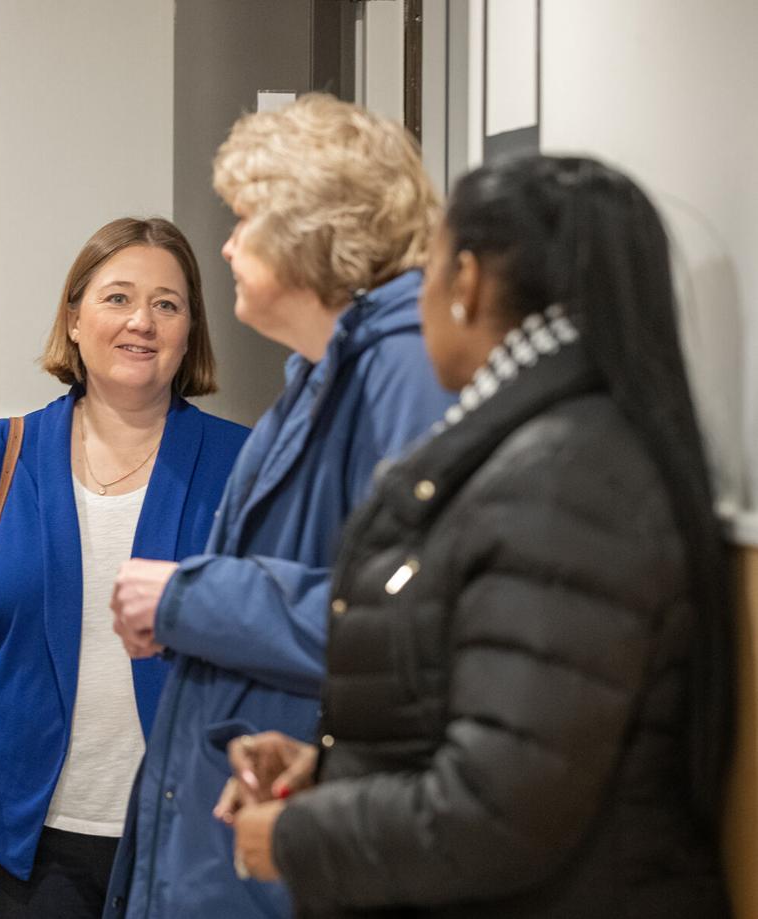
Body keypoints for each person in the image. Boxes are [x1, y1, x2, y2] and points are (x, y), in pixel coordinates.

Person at [222, 154, 734, 918]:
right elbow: (479, 719)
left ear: (466, 282)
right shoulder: (535, 451)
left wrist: (299, 833)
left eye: (425, 267)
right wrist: (335, 769)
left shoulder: (563, 477)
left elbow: (504, 806)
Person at [105, 94, 455, 918]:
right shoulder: (318, 371)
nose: (225, 245)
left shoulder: (404, 373)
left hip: (299, 853)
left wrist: (186, 598)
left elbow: (410, 626)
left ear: (311, 229)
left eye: (245, 220)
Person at [0, 217, 249, 918]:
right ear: (73, 318)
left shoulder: (242, 465)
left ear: (190, 330)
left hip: (191, 843)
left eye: (167, 303)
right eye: (117, 298)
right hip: (29, 848)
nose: (142, 322)